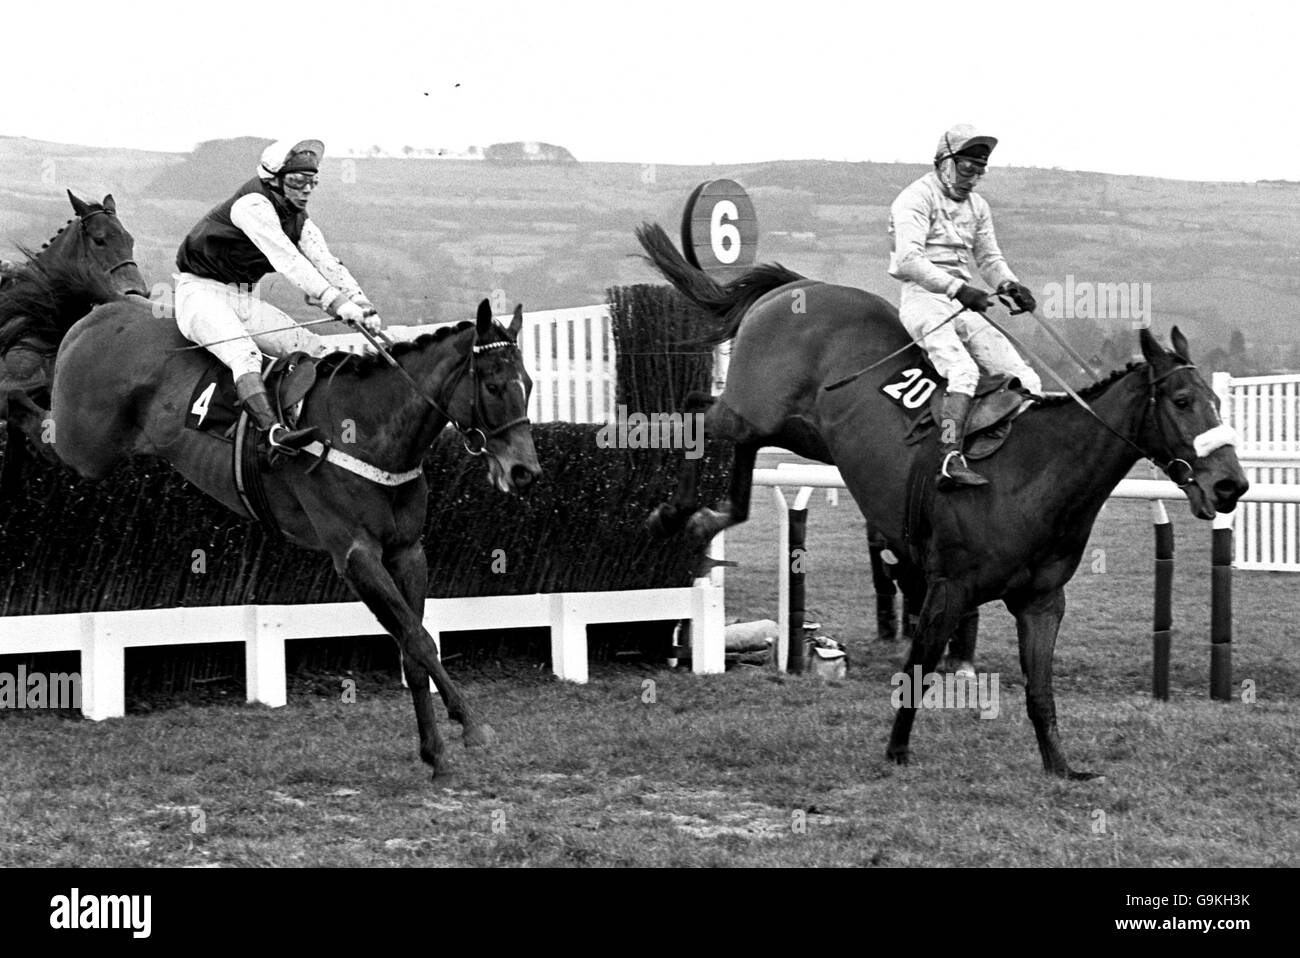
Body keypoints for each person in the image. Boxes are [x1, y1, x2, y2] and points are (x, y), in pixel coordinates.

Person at [173, 138, 381, 451]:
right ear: (274, 180)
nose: (307, 190)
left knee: (311, 347)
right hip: (199, 292)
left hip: (243, 297)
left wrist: (362, 304)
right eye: (298, 181)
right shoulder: (252, 206)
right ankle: (272, 433)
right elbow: (288, 260)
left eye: (312, 182)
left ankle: (335, 429)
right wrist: (336, 302)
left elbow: (326, 262)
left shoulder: (300, 220)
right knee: (245, 355)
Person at [887, 123, 1042, 490]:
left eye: (979, 169)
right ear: (943, 161)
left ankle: (1002, 456)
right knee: (963, 372)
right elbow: (909, 260)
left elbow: (989, 258)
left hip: (960, 303)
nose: (972, 176)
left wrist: (1010, 284)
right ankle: (948, 458)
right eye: (966, 166)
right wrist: (959, 288)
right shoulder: (914, 198)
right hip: (924, 299)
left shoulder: (978, 206)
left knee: (1027, 379)